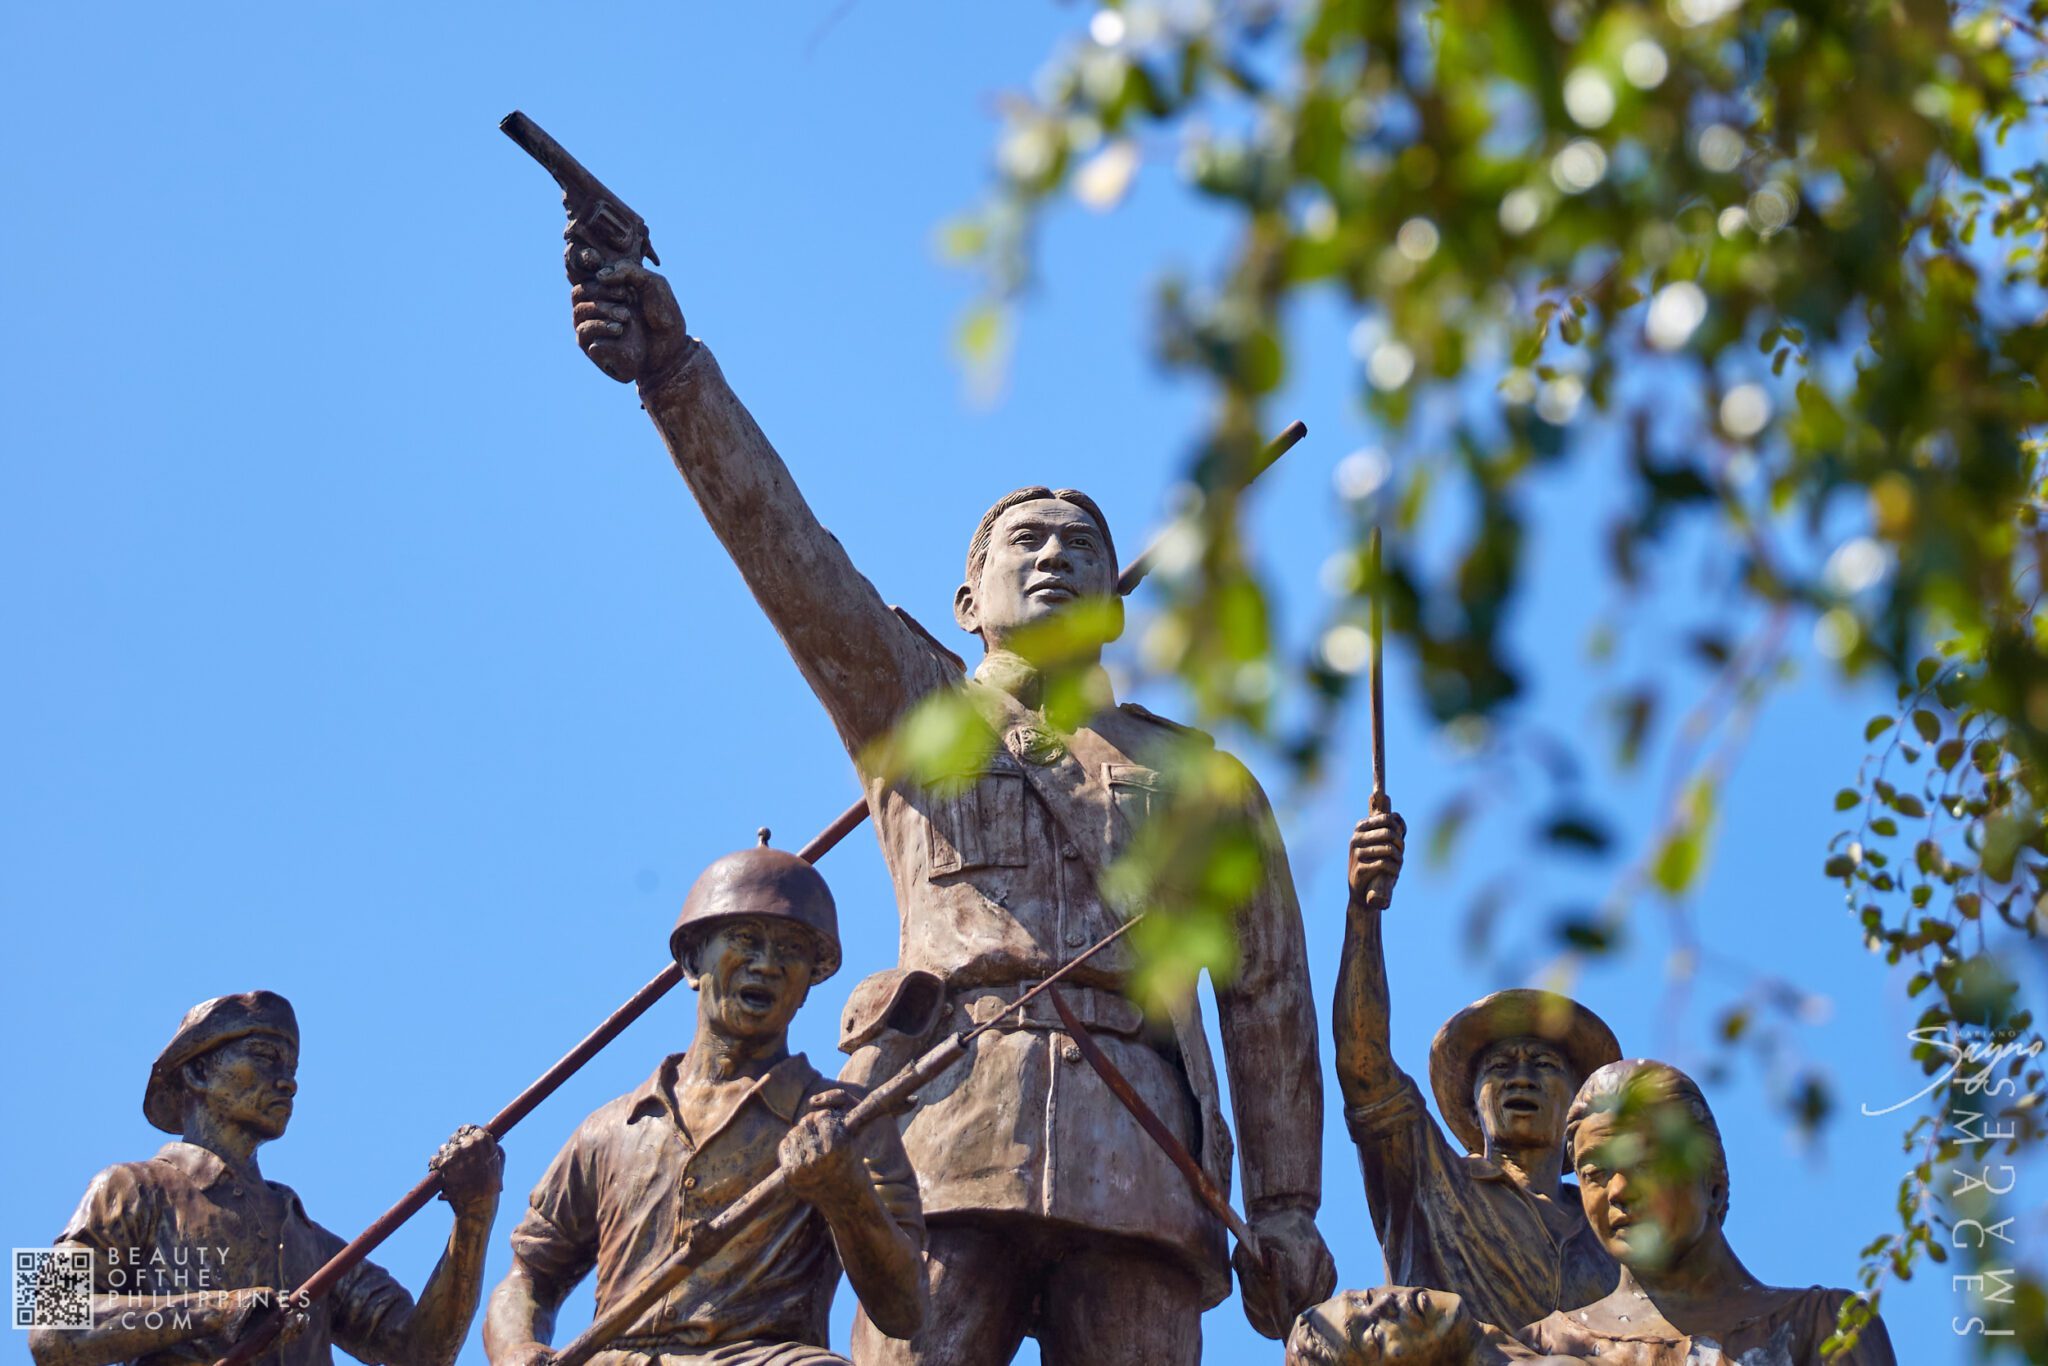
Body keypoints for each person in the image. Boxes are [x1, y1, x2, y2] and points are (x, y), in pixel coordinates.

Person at [549, 252, 1332, 1362]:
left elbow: (1266, 994)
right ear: (967, 602)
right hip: (943, 1125)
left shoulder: (1202, 779)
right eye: (1026, 540)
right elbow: (787, 554)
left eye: (1081, 546)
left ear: (1113, 606)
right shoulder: (909, 705)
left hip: (1145, 1152)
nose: (1055, 553)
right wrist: (674, 376)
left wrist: (1288, 1203)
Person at [483, 837, 926, 1366]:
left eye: (792, 950)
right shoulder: (609, 1131)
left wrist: (845, 1191)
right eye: (746, 939)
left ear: (810, 982)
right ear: (693, 961)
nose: (767, 964)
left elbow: (904, 1308)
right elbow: (530, 1273)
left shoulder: (847, 1119)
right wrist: (516, 1350)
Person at [1285, 1060, 1898, 1365]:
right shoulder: (1547, 1345)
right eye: (1596, 1173)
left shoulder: (1827, 1327)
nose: (1618, 1190)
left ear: (1713, 1174)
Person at [31, 991, 502, 1366]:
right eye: (264, 1057)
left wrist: (474, 1215)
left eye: (291, 1066)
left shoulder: (309, 1240)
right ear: (198, 1070)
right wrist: (218, 1311)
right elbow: (51, 1329)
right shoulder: (126, 1188)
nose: (287, 1081)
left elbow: (421, 1351)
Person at [1337, 808, 1623, 1332]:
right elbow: (1365, 1068)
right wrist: (1363, 913)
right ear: (1471, 1100)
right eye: (1499, 1066)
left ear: (1579, 1103)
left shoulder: (1615, 1228)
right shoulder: (1429, 1179)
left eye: (1543, 1065)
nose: (1520, 1078)